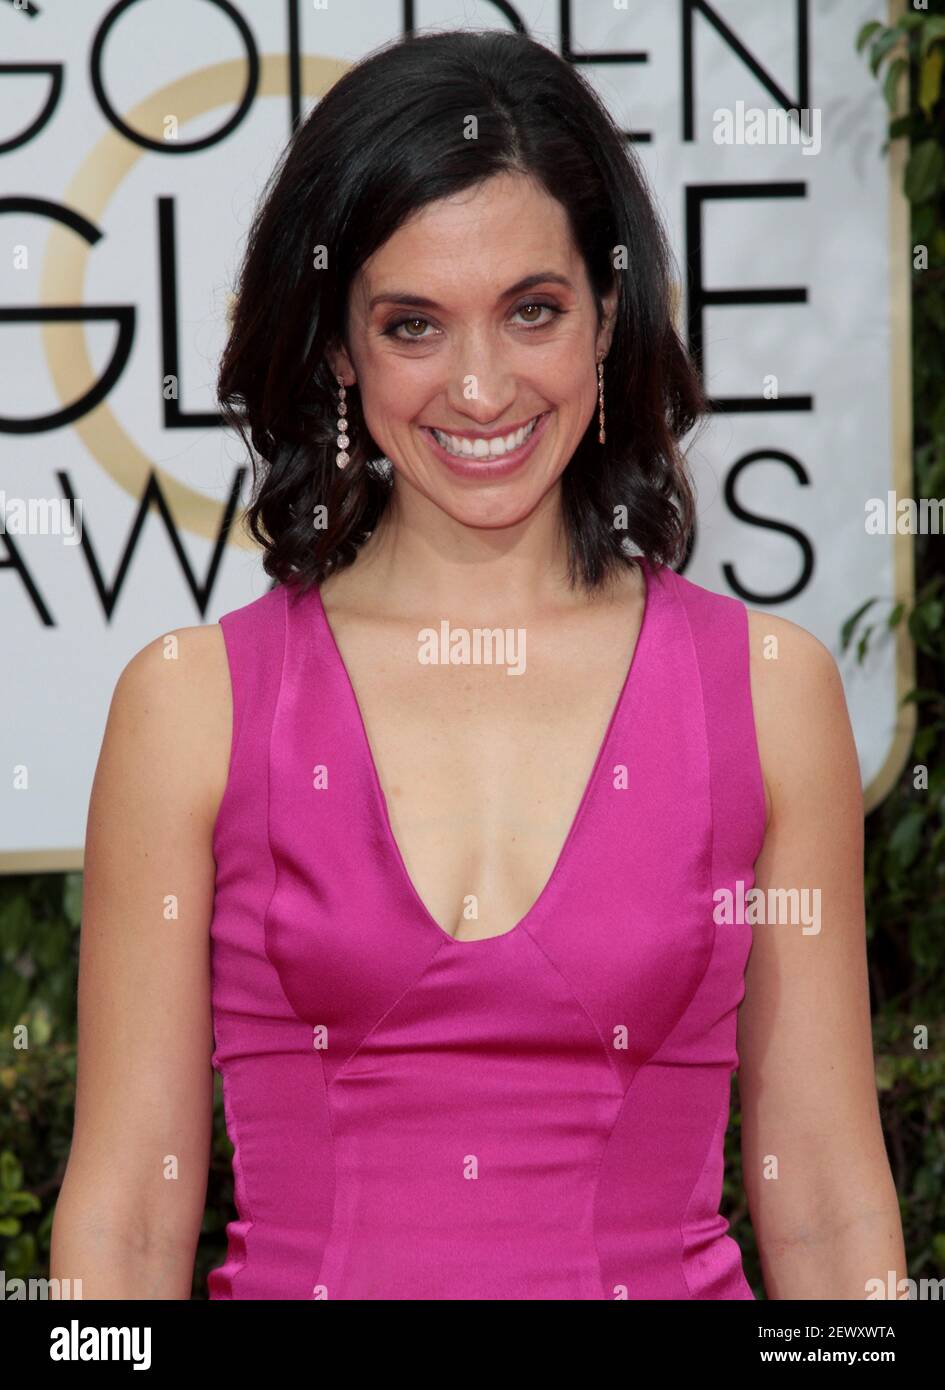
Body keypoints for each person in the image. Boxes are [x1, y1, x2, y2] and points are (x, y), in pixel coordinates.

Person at [51, 28, 906, 1300]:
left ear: (609, 317)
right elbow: (121, 1223)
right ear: (337, 345)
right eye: (413, 324)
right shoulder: (192, 705)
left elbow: (830, 1205)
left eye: (533, 310)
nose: (481, 385)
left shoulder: (767, 693)